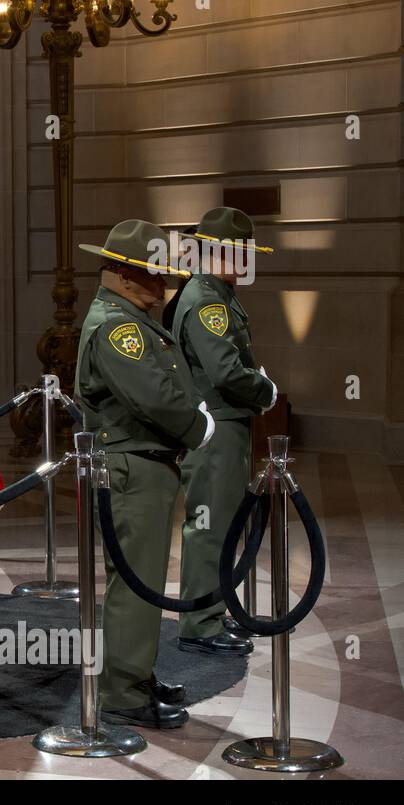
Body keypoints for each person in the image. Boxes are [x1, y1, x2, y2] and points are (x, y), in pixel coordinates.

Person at [75, 219, 215, 730]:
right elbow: (153, 395)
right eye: (154, 277)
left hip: (138, 465)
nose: (162, 289)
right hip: (134, 466)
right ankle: (123, 692)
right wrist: (198, 425)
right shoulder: (119, 328)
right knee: (136, 582)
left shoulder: (123, 317)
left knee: (136, 579)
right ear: (123, 274)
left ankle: (132, 673)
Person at [172, 207, 277, 656]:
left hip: (223, 425)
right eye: (241, 252)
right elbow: (226, 370)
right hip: (217, 428)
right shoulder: (207, 299)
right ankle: (200, 625)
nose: (247, 260)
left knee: (222, 522)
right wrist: (266, 389)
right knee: (211, 526)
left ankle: (213, 612)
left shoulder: (214, 292)